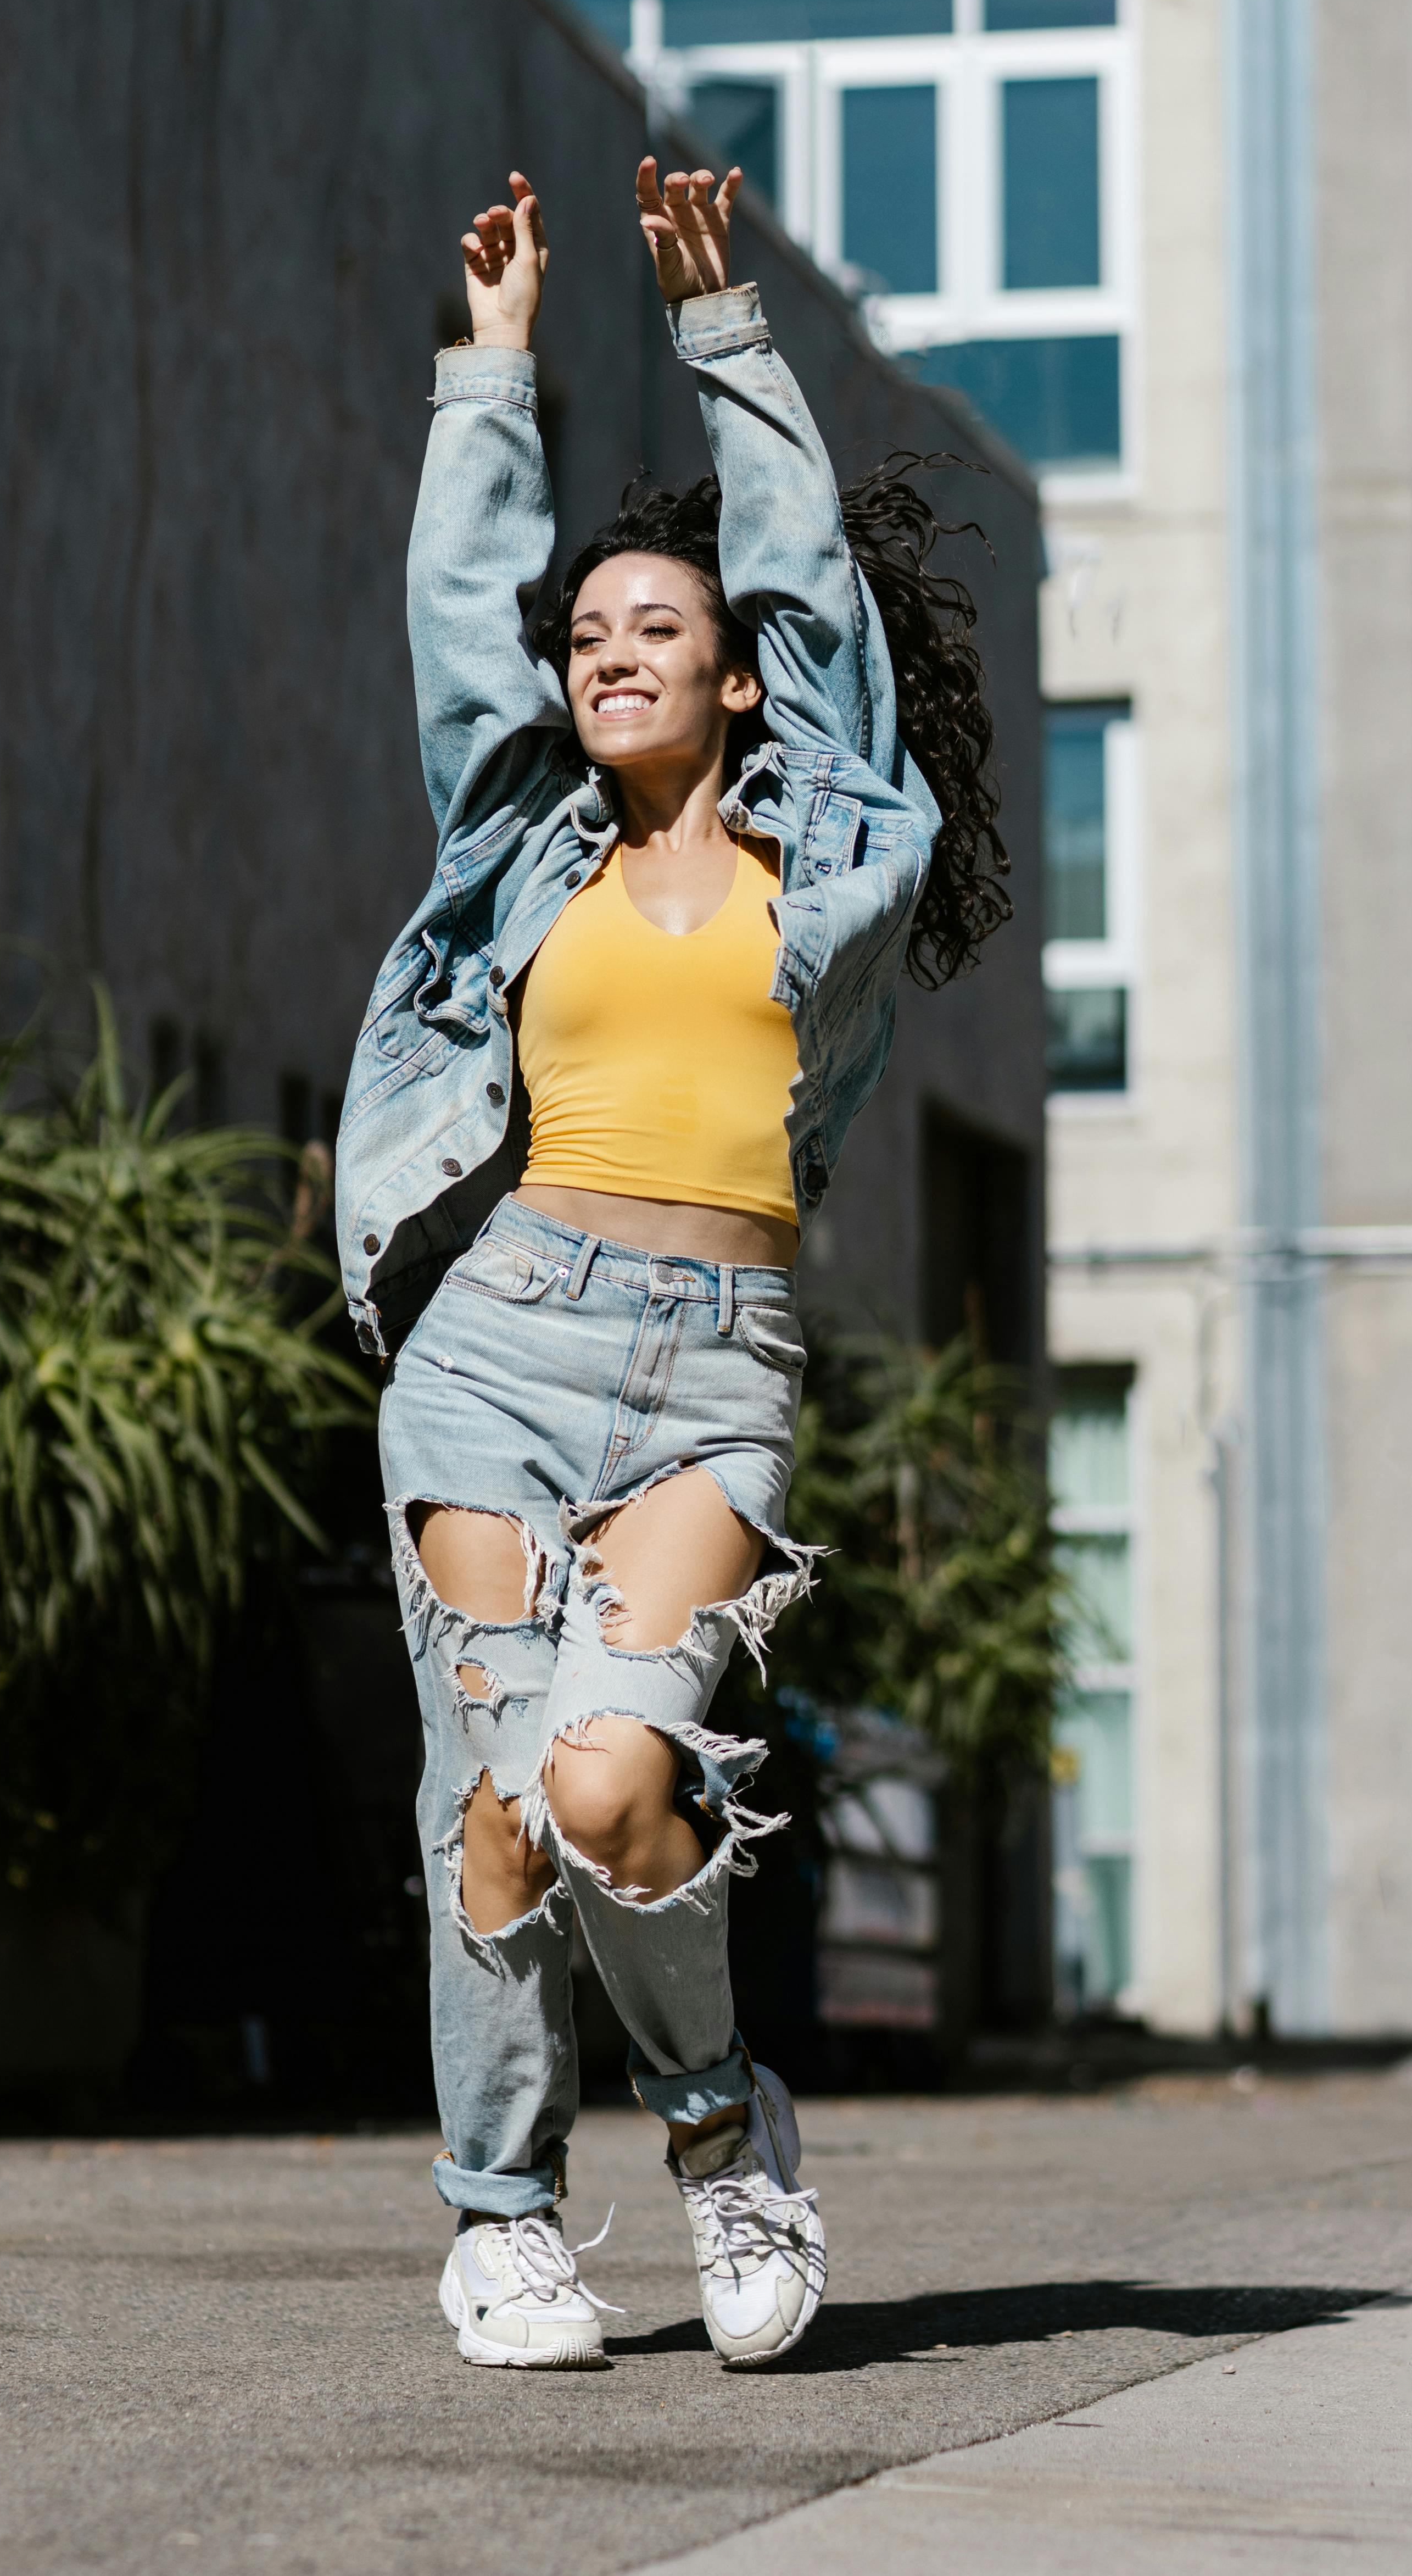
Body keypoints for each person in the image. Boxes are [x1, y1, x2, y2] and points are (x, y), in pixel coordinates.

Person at [335, 157, 1009, 2371]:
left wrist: (720, 336)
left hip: (711, 1361)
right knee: (501, 1813)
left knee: (618, 1778)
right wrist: (487, 367)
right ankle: (500, 2212)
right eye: (589, 633)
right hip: (490, 1342)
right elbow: (462, 618)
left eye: (654, 633)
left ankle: (724, 2136)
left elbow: (810, 590)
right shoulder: (517, 841)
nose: (606, 650)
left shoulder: (823, 857)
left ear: (729, 690)